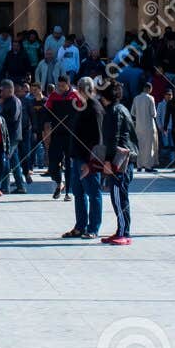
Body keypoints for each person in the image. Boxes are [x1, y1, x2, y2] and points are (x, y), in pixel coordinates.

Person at [64, 76, 105, 240]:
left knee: (93, 193)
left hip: (88, 160)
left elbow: (98, 139)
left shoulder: (95, 108)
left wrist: (92, 162)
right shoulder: (81, 106)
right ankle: (80, 226)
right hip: (77, 157)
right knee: (78, 193)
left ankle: (93, 228)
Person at [99, 81, 137, 245]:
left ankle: (124, 232)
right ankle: (121, 230)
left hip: (119, 160)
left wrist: (107, 160)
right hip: (126, 157)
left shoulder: (113, 112)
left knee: (118, 196)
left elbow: (112, 138)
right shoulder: (122, 109)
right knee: (120, 196)